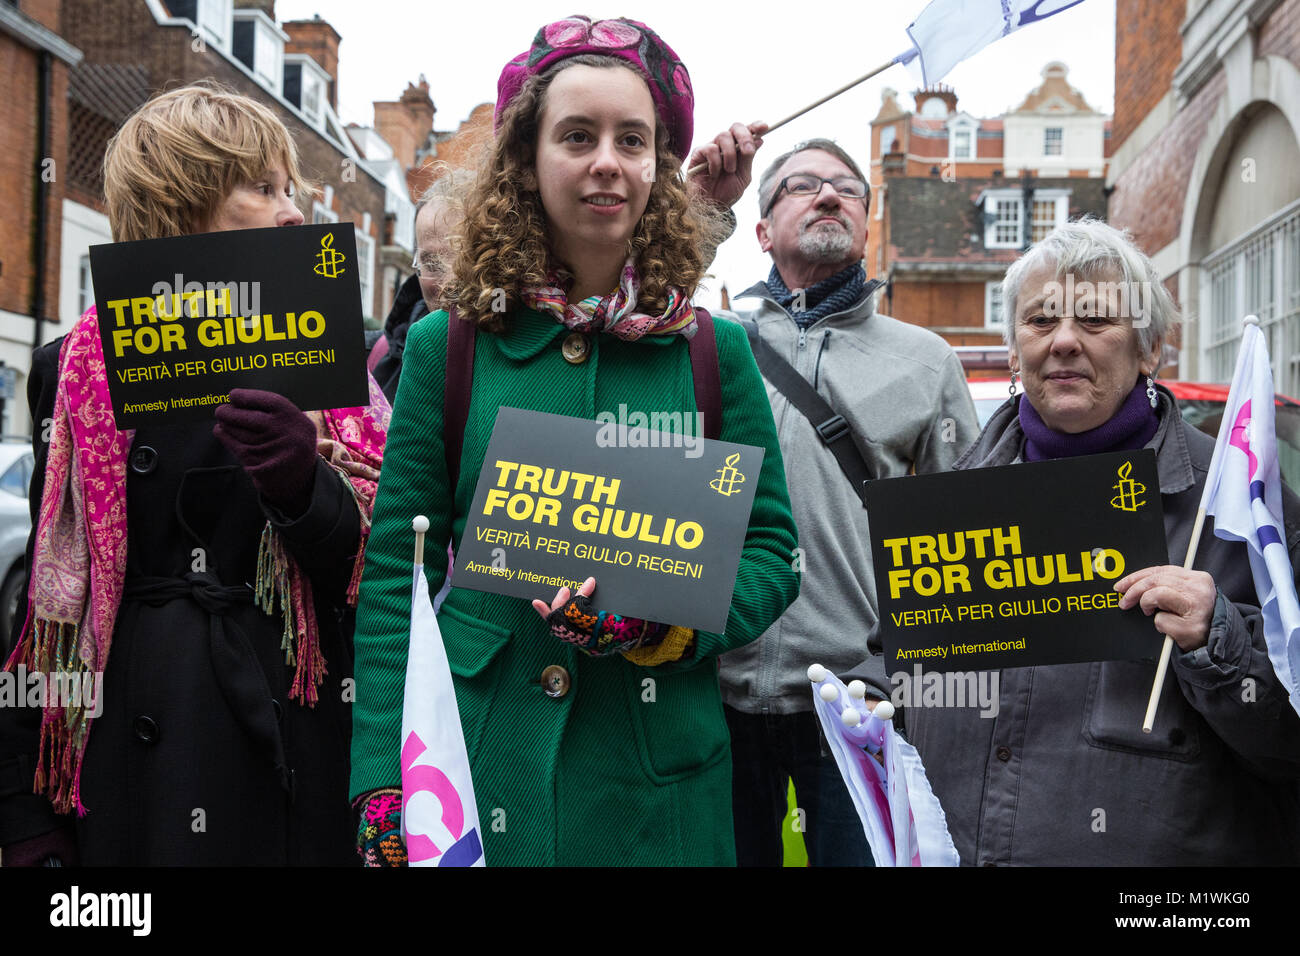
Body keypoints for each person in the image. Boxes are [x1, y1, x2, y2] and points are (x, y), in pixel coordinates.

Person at [349, 15, 798, 867]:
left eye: (633, 140)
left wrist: (657, 618)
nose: (607, 161)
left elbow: (773, 553)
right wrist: (379, 771)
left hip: (656, 776)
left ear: (659, 168)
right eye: (577, 136)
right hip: (484, 761)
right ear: (525, 160)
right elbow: (392, 579)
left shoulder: (715, 349)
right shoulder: (451, 348)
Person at [0, 84, 389, 866]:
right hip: (131, 737)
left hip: (293, 722)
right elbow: (51, 601)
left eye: (292, 189)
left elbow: (378, 573)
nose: (292, 211)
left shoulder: (320, 355)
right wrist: (25, 811)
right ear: (181, 202)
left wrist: (301, 487)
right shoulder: (69, 368)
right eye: (262, 187)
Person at [901, 218, 1300, 864]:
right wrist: (870, 696)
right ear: (1012, 352)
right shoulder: (954, 500)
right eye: (1040, 321)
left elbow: (1287, 739)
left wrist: (1217, 637)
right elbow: (898, 675)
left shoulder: (1241, 514)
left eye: (1094, 321)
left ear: (1150, 351)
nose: (1063, 342)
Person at [717, 139, 979, 866]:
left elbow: (962, 537)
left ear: (868, 223)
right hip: (709, 688)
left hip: (858, 704)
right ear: (762, 230)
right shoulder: (711, 344)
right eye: (801, 186)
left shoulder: (929, 360)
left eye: (848, 189)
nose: (829, 196)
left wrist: (919, 686)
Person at [371, 169, 474, 402]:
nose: (449, 282)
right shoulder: (369, 362)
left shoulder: (527, 370)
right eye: (432, 263)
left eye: (464, 258)